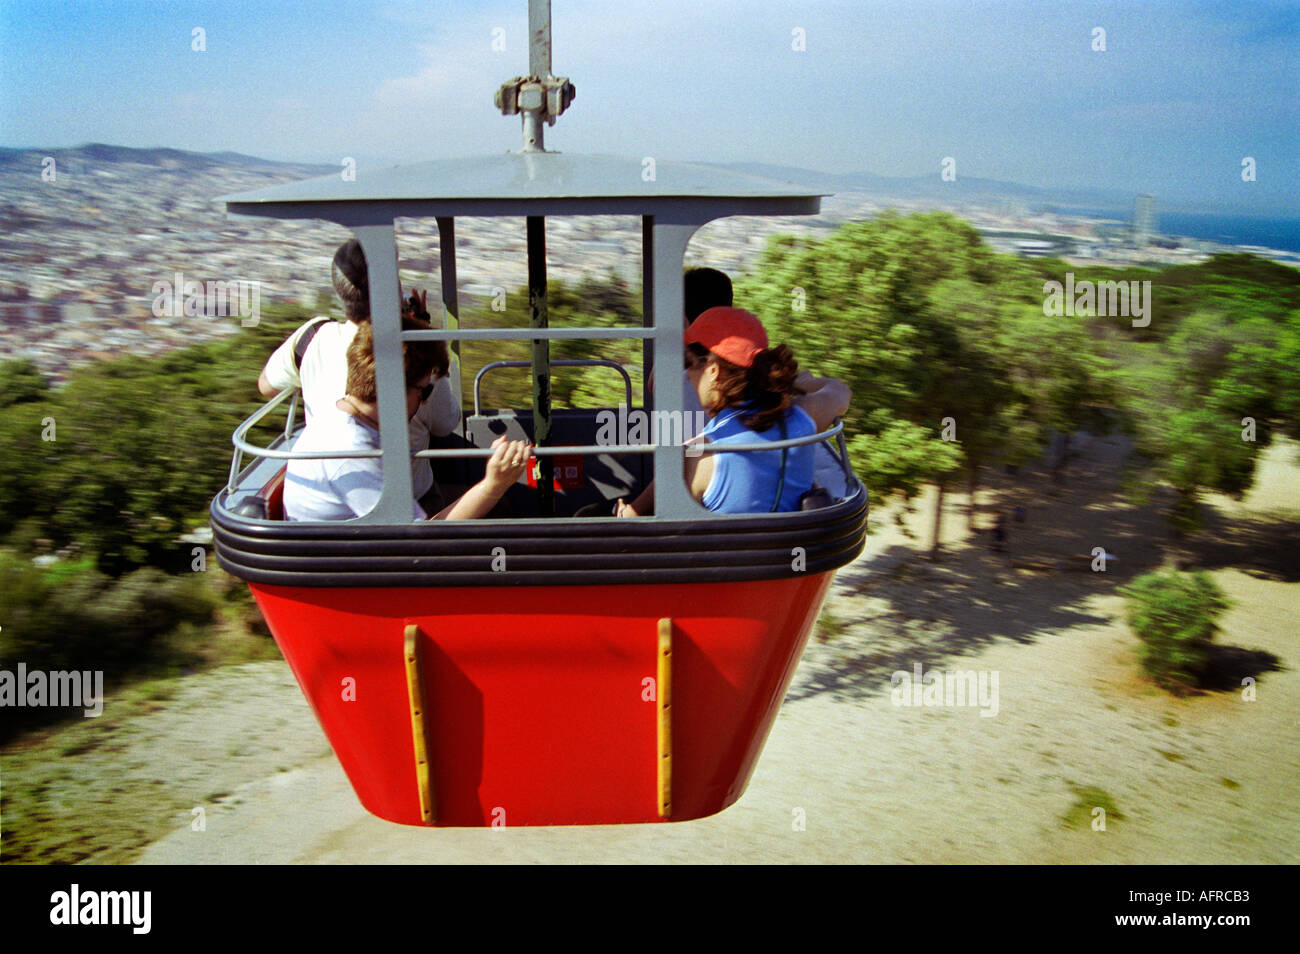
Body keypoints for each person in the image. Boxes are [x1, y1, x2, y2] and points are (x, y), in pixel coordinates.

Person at [257, 238, 461, 505]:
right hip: (410, 498)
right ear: (392, 288)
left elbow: (266, 386)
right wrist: (418, 327)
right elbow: (446, 424)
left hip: (335, 493)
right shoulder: (414, 354)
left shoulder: (312, 336)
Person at [285, 319, 529, 522]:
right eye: (424, 391)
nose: (424, 402)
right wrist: (494, 484)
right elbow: (420, 541)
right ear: (394, 391)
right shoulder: (353, 452)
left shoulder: (338, 417)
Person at [618, 307, 844, 516]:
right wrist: (796, 385)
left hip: (728, 558)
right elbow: (840, 390)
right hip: (789, 553)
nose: (687, 375)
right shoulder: (803, 417)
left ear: (714, 370)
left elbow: (659, 514)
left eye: (689, 364)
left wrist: (626, 514)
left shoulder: (698, 455)